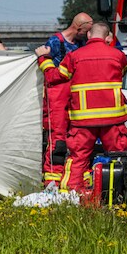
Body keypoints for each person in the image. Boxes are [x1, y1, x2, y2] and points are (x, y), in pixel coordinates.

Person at [35, 22, 127, 193]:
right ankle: (120, 195)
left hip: (83, 120)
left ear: (88, 35)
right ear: (107, 36)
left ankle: (70, 195)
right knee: (118, 158)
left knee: (78, 159)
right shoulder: (118, 55)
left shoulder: (75, 56)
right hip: (113, 120)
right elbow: (122, 72)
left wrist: (44, 59)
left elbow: (55, 77)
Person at [38, 13, 92, 188]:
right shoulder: (55, 43)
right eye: (86, 31)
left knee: (78, 141)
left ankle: (75, 181)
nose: (88, 35)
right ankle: (52, 181)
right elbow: (49, 73)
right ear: (78, 27)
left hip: (76, 98)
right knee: (58, 142)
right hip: (58, 99)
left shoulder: (82, 43)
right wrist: (43, 58)